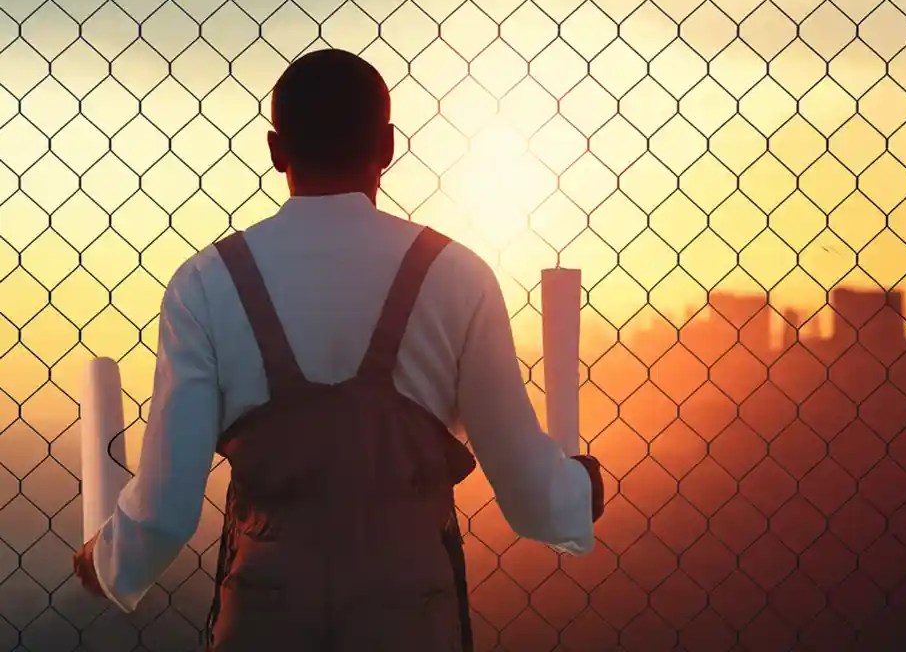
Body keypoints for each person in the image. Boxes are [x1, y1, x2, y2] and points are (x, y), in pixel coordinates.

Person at [71, 48, 605, 651]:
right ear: (388, 145)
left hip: (263, 620)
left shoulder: (206, 284)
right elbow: (531, 498)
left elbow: (167, 514)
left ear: (276, 151)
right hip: (412, 620)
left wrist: (108, 562)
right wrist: (578, 491)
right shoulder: (458, 277)